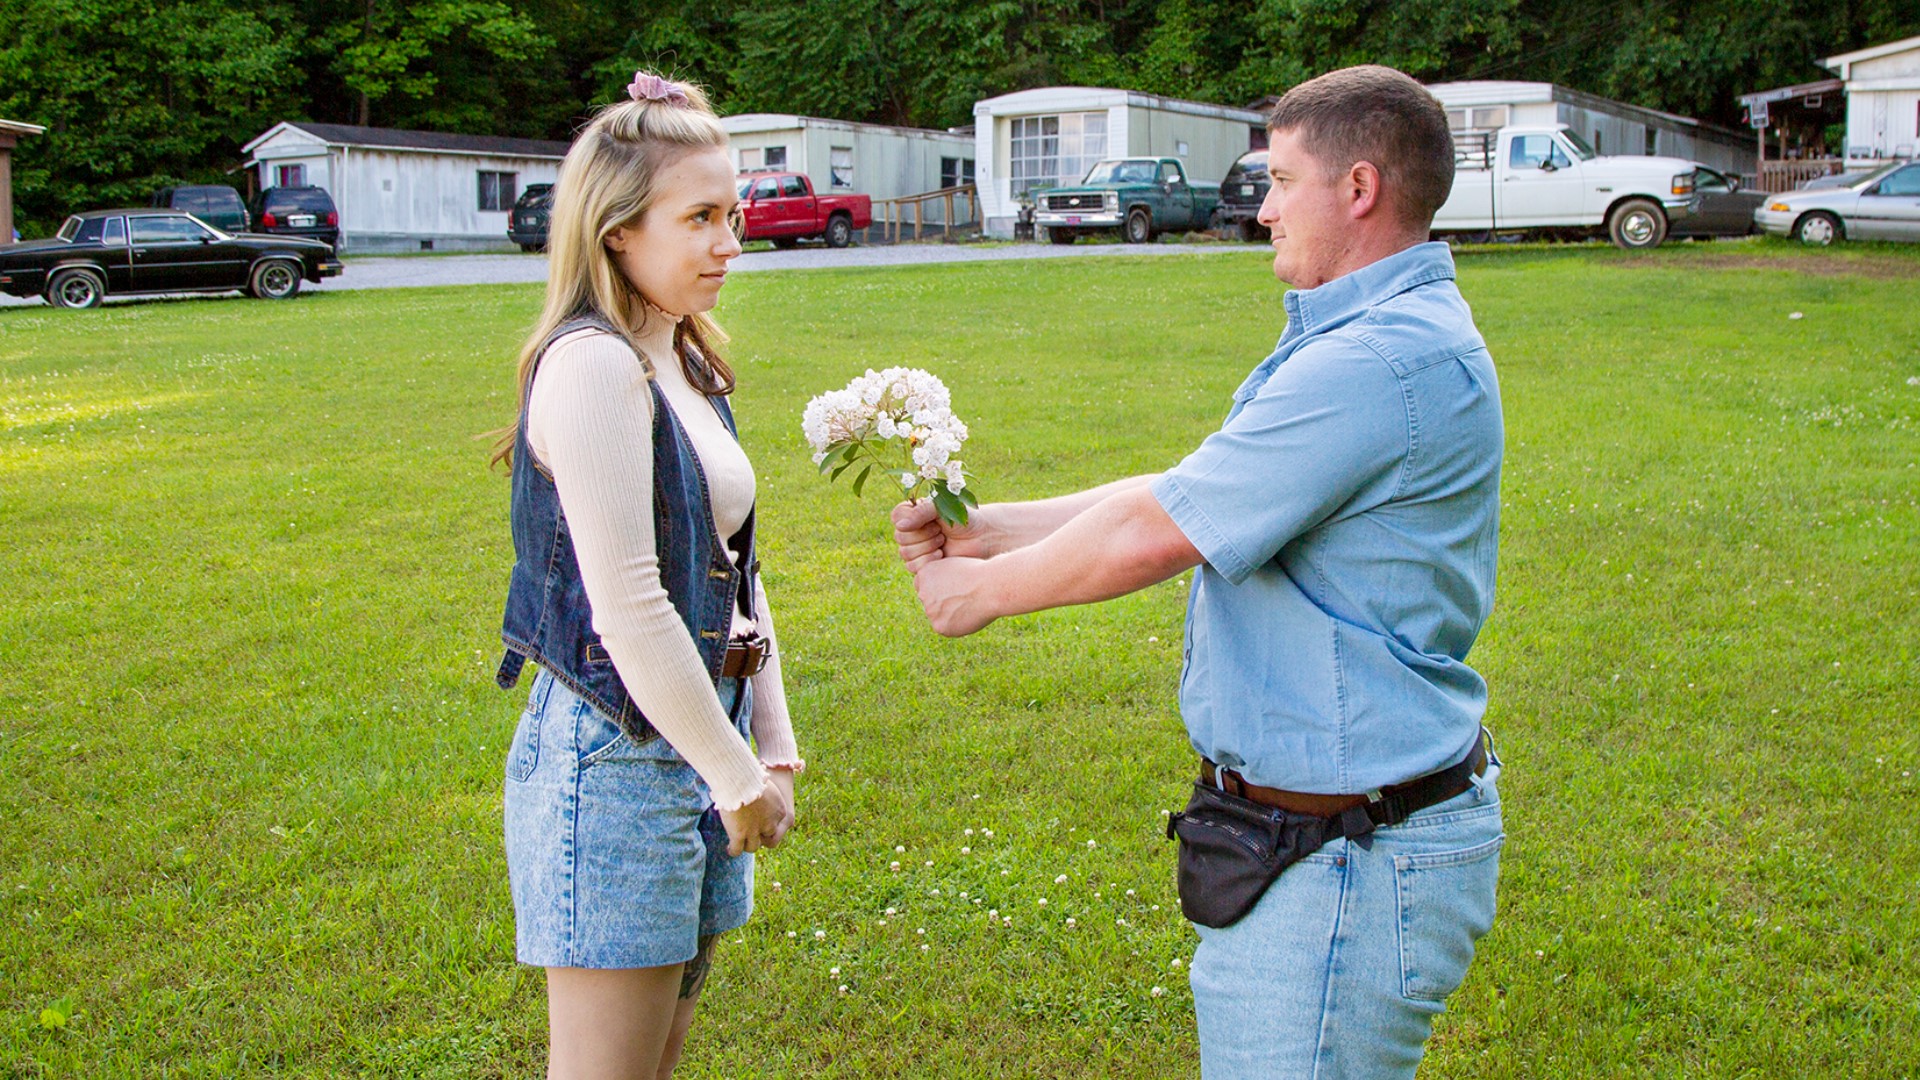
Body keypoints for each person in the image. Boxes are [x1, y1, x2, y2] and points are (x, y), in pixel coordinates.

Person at [893, 65, 1504, 1078]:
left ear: (1357, 190)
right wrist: (996, 530)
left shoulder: (1379, 361)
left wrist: (979, 596)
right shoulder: (1371, 341)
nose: (1259, 209)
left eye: (1279, 180)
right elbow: (1201, 488)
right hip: (1325, 845)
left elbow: (1160, 528)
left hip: (1347, 859)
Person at [491, 72, 802, 1080]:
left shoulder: (683, 358)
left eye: (735, 215)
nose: (730, 243)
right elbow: (629, 606)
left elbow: (736, 579)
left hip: (698, 734)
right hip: (616, 757)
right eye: (701, 218)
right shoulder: (593, 368)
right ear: (618, 230)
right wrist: (735, 773)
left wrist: (773, 734)